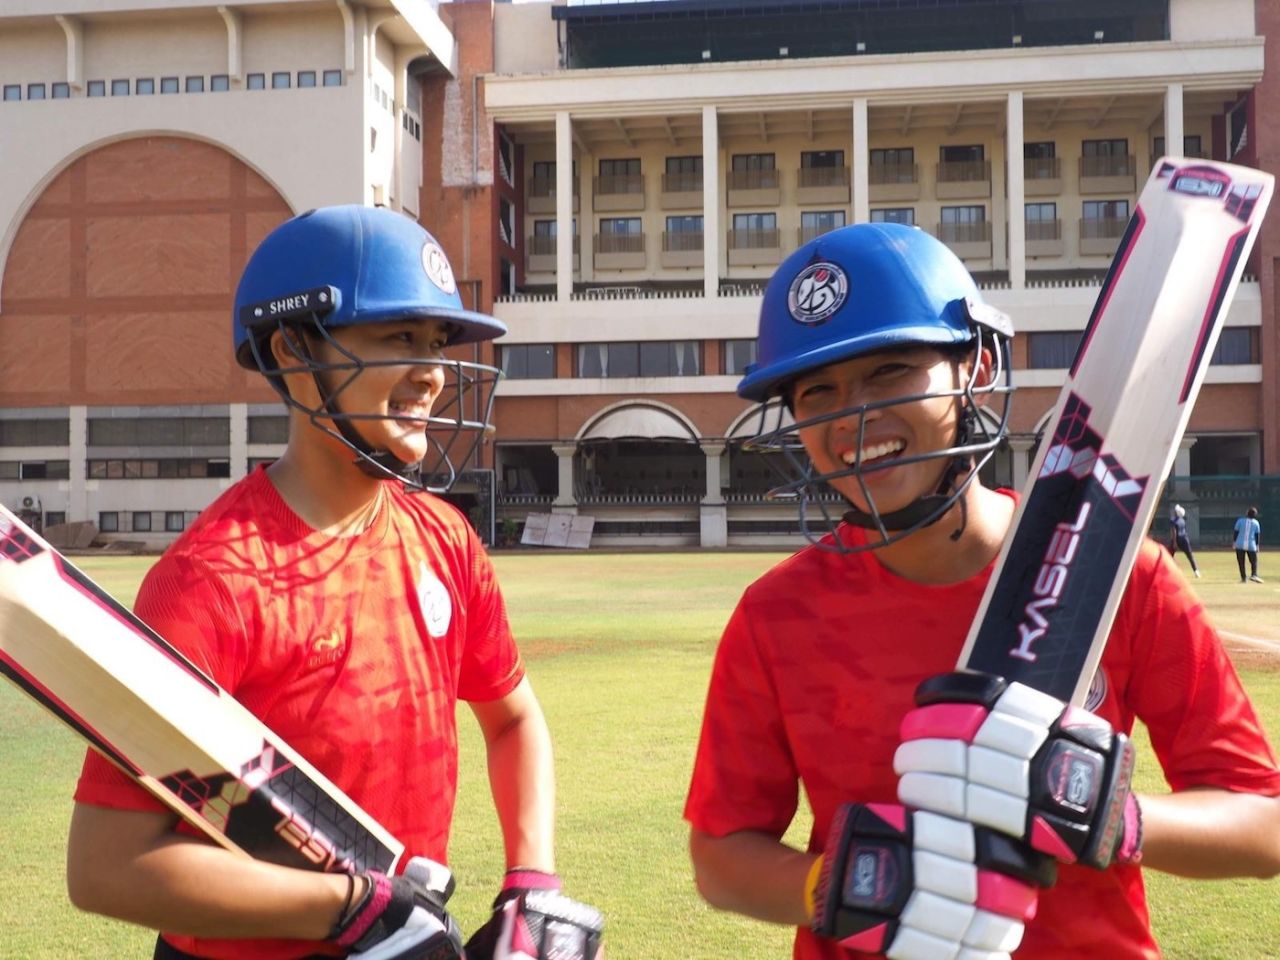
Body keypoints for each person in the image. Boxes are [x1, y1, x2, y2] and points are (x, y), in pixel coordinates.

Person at [684, 223, 1280, 959]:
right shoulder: (775, 615)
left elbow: (1263, 825)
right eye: (818, 390)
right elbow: (719, 856)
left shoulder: (1116, 573)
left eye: (890, 371)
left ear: (977, 366)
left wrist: (1114, 819)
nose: (853, 416)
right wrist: (835, 887)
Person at [66, 206, 602, 960]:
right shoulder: (208, 581)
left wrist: (532, 879)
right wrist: (349, 908)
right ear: (291, 351)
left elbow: (512, 720)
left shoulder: (445, 539)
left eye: (438, 342)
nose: (433, 373)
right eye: (397, 337)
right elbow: (106, 867)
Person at [1169, 503, 1200, 577]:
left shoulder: (1173, 520)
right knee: (1190, 556)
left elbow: (1174, 532)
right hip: (1185, 539)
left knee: (1169, 556)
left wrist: (1174, 542)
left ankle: (1171, 570)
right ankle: (1196, 571)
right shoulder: (1182, 520)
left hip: (1177, 539)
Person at [1235, 506, 1263, 583]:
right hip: (1251, 544)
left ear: (1247, 513)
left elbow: (1236, 532)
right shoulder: (1256, 523)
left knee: (1241, 562)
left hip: (1240, 544)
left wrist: (1234, 542)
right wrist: (1257, 546)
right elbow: (1257, 536)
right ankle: (1254, 575)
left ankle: (1243, 578)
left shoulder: (1240, 521)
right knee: (1254, 561)